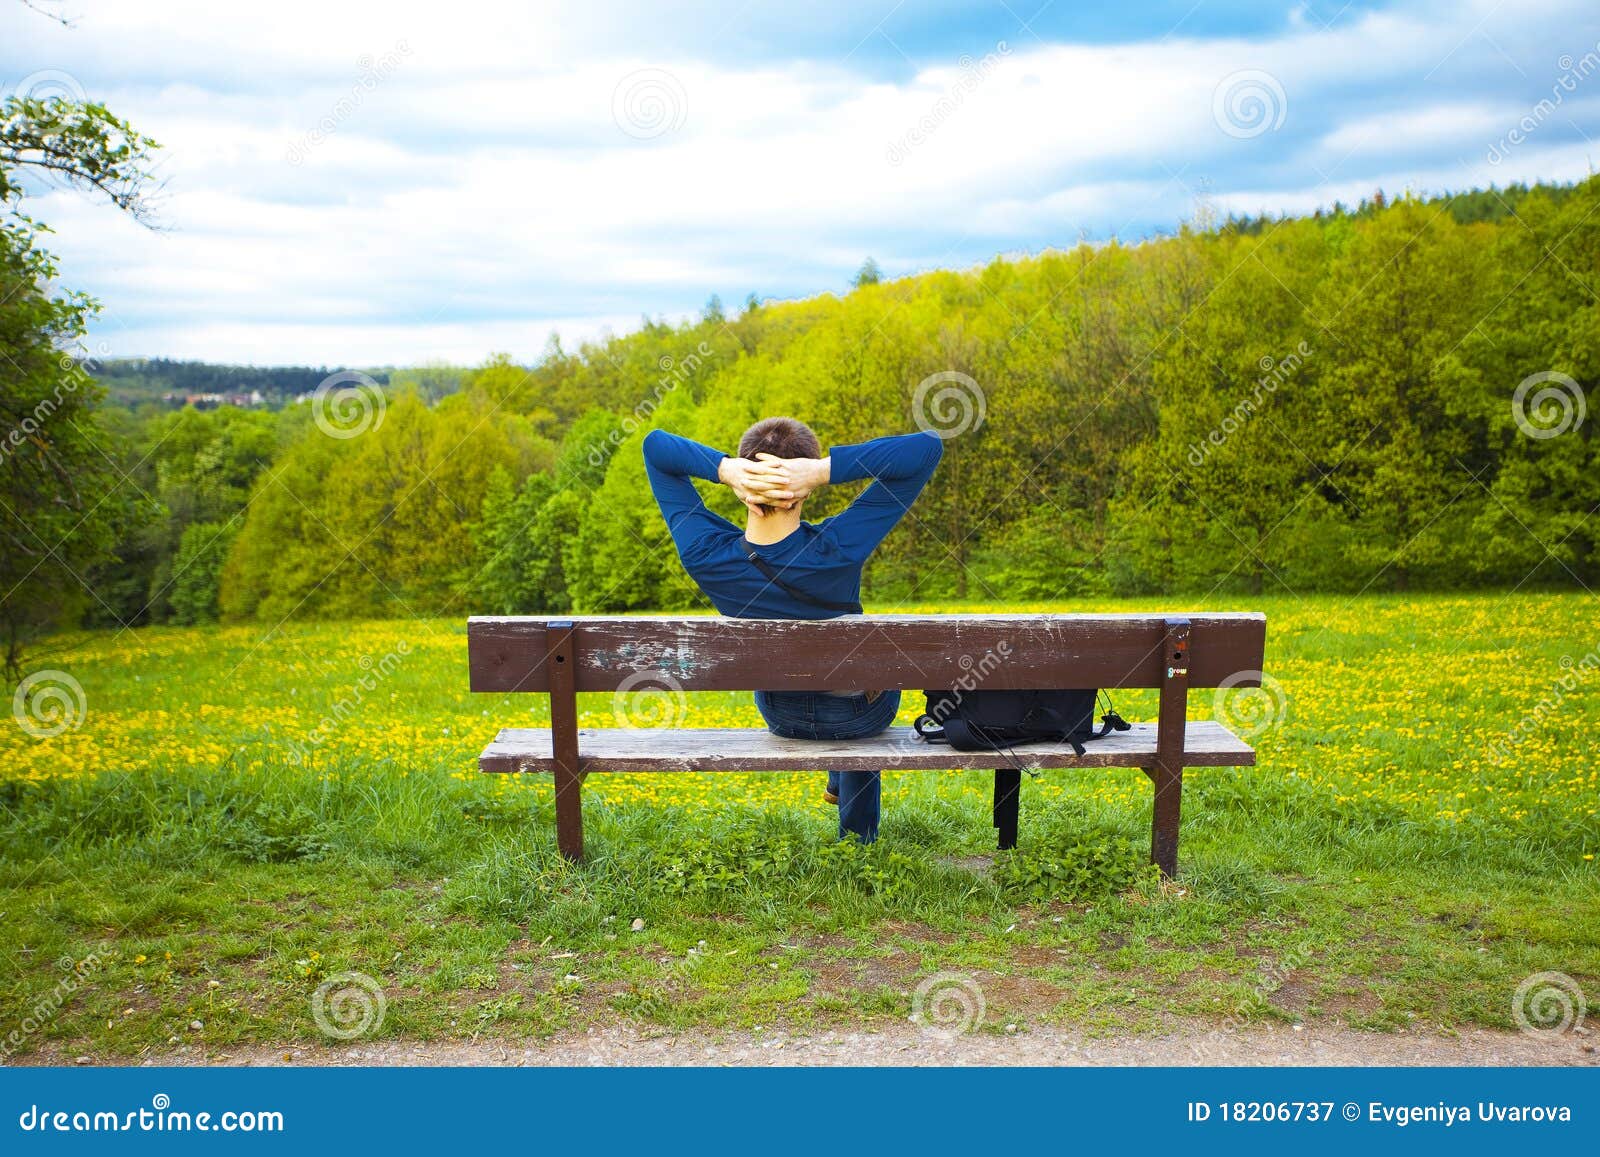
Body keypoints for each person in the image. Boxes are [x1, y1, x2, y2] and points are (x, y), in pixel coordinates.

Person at [642, 418, 943, 843]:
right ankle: (858, 840)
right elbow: (926, 448)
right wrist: (822, 471)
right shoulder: (838, 547)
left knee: (845, 678)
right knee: (867, 678)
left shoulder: (704, 554)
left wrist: (725, 469)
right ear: (800, 487)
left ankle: (841, 781)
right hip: (858, 717)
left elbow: (656, 447)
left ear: (744, 488)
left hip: (781, 715)